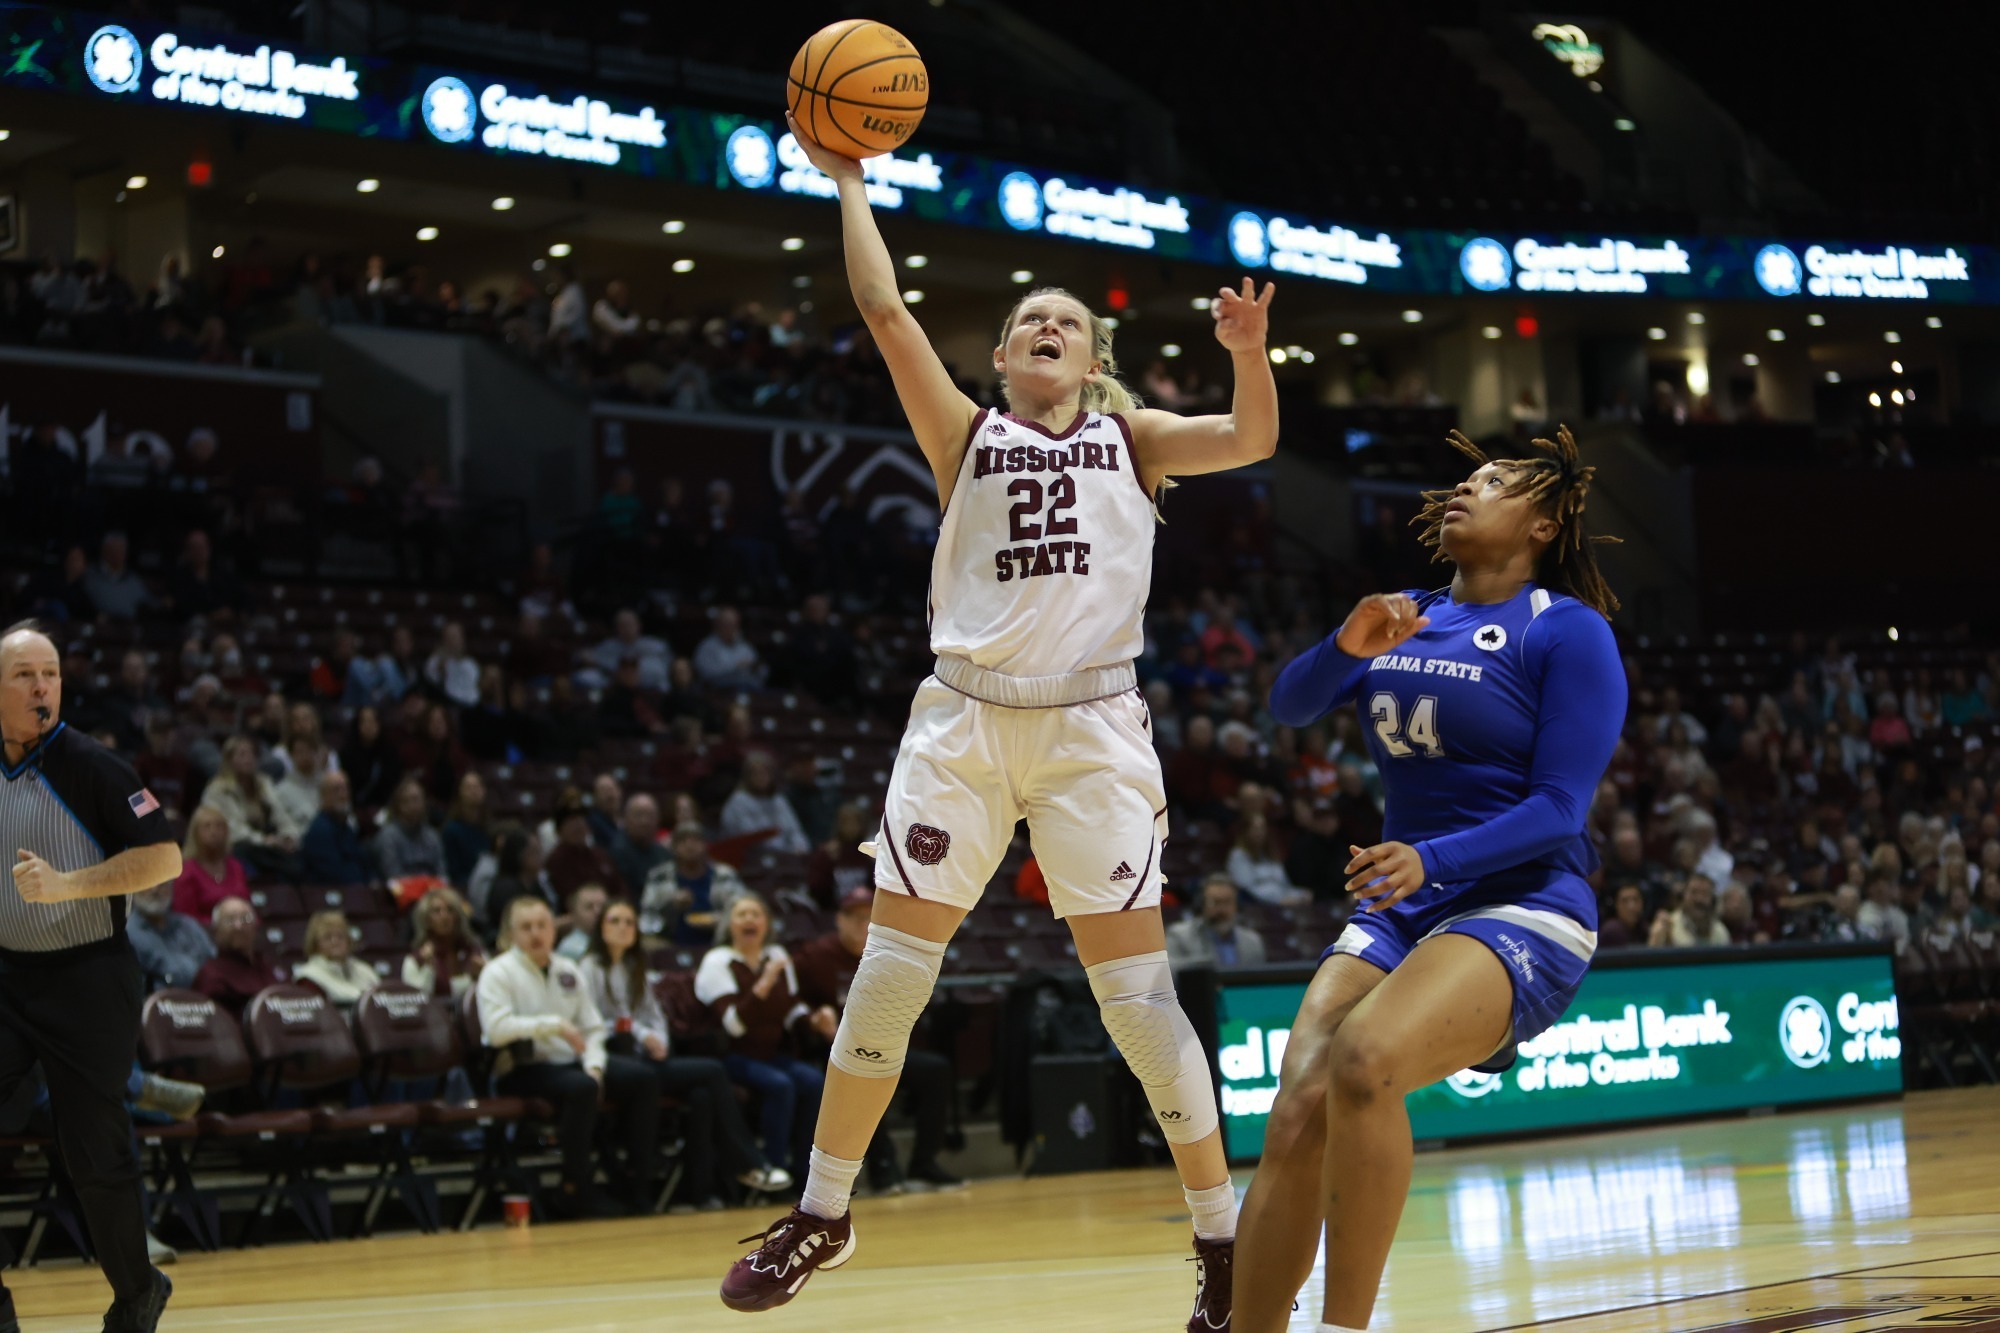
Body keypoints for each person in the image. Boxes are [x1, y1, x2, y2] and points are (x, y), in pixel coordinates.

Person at [721, 119, 1279, 1330]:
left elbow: (1250, 438)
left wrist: (1247, 352)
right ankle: (822, 1210)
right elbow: (883, 313)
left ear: (1090, 359)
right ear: (1001, 354)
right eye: (1028, 316)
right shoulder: (962, 433)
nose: (1045, 324)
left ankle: (1223, 1245)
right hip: (964, 724)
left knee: (1135, 1004)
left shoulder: (1131, 440)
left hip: (1091, 732)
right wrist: (851, 182)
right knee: (887, 978)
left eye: (1066, 320)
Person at [1233, 426, 1627, 1333]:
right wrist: (1346, 644)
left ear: (1543, 522)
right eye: (1465, 477)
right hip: (1406, 902)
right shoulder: (1406, 610)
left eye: (1492, 482)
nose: (1464, 488)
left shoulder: (1566, 630)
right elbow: (1289, 703)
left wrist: (1433, 857)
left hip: (1525, 902)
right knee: (1298, 1101)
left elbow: (1561, 807)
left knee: (1366, 1059)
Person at [0, 624, 179, 1330]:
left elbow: (165, 860)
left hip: (89, 980)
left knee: (95, 1152)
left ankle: (138, 1291)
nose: (41, 686)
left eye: (50, 673)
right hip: (8, 979)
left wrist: (69, 883)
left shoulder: (94, 765)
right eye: (23, 675)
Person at [579, 898, 790, 1209]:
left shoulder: (636, 966)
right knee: (698, 1073)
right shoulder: (589, 967)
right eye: (615, 921)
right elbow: (593, 1021)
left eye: (628, 922)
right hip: (609, 1056)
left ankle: (701, 1191)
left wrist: (660, 1039)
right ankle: (747, 1161)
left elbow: (654, 1015)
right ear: (600, 928)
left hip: (644, 1057)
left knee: (705, 1090)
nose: (623, 928)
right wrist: (642, 1033)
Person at [476, 896, 659, 1217]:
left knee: (641, 1078)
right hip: (523, 1068)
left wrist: (595, 1066)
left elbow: (592, 1028)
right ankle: (574, 1188)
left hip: (573, 1064)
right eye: (526, 927)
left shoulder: (567, 969)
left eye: (542, 925)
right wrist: (553, 1026)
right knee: (581, 1088)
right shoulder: (497, 972)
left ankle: (637, 1182)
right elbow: (496, 1029)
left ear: (554, 929)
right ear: (510, 933)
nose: (536, 933)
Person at [790, 888, 962, 1193]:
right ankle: (883, 1168)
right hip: (829, 1049)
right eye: (853, 916)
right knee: (864, 1078)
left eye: (867, 915)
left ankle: (924, 1163)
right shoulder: (814, 956)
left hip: (884, 1041)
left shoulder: (889, 952)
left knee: (935, 1069)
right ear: (838, 920)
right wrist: (813, 1018)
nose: (861, 923)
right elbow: (790, 1000)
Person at [698, 895, 822, 1184]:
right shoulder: (717, 961)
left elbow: (790, 1007)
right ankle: (771, 1167)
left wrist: (814, 1020)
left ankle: (806, 1174)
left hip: (772, 1054)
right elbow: (733, 1025)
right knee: (780, 1085)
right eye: (742, 914)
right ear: (730, 924)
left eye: (756, 914)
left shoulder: (776, 955)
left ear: (767, 924)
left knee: (814, 1081)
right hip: (732, 1055)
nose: (750, 920)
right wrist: (762, 986)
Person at [199, 735, 303, 879]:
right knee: (246, 851)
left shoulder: (264, 784)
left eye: (252, 754)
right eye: (242, 754)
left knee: (299, 859)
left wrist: (289, 836)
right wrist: (264, 840)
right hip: (238, 845)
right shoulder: (218, 790)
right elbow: (233, 829)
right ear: (229, 760)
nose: (248, 759)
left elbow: (281, 815)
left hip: (266, 844)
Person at [642, 822, 747, 945]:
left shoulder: (725, 875)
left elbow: (742, 909)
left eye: (695, 840)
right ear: (673, 847)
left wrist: (720, 921)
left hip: (719, 942)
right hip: (669, 942)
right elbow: (646, 919)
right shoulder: (659, 877)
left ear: (705, 845)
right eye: (683, 841)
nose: (689, 845)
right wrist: (671, 907)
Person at [192, 896, 287, 1018]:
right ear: (216, 931)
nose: (239, 926)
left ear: (255, 927)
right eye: (230, 920)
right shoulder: (211, 974)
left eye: (245, 919)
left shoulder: (267, 966)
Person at [1166, 874, 1268, 971]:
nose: (1221, 909)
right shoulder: (1179, 936)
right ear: (1202, 905)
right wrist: (1205, 964)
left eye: (1227, 902)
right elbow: (1170, 972)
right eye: (1215, 902)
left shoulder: (1253, 942)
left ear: (1237, 906)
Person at [127, 882, 216, 989]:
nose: (155, 890)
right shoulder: (128, 934)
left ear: (171, 888)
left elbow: (214, 963)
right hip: (157, 1001)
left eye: (162, 884)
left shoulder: (189, 926)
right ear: (134, 891)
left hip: (203, 998)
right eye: (147, 885)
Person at [719, 752, 811, 855]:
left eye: (764, 772)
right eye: (755, 773)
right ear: (747, 776)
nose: (760, 777)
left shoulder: (778, 799)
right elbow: (750, 838)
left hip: (785, 856)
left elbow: (794, 831)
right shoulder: (738, 802)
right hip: (751, 858)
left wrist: (800, 848)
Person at [402, 886, 486, 998]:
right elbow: (417, 1002)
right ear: (426, 920)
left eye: (450, 910)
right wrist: (427, 969)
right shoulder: (416, 961)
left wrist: (483, 973)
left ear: (457, 917)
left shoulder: (476, 954)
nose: (444, 916)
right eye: (437, 911)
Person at [170, 805, 249, 922]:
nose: (214, 832)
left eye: (219, 826)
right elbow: (186, 920)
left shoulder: (235, 867)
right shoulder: (186, 871)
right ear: (195, 834)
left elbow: (247, 907)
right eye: (207, 827)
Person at [293, 910, 379, 1009]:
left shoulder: (365, 971)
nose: (335, 942)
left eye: (340, 936)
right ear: (315, 944)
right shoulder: (308, 977)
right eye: (327, 937)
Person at [302, 771, 375, 887]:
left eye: (346, 789)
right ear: (323, 796)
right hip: (333, 898)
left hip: (359, 894)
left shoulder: (346, 828)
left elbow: (363, 863)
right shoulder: (320, 832)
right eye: (336, 790)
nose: (343, 795)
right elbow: (335, 876)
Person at [1226, 812, 1309, 907]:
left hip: (1282, 902)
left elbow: (1283, 884)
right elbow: (1247, 891)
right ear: (1246, 831)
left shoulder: (1270, 855)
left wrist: (1300, 894)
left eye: (1262, 828)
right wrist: (1278, 901)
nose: (1259, 832)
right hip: (1257, 906)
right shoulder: (1238, 856)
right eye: (1255, 828)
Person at [373, 778, 446, 881]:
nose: (414, 806)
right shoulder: (388, 837)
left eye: (417, 800)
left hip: (433, 893)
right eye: (408, 801)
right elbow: (394, 878)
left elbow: (442, 875)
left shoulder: (433, 836)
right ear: (399, 806)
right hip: (401, 893)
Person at [1648, 873, 1731, 947]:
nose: (1699, 899)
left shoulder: (1720, 931)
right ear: (1683, 896)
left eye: (1705, 893)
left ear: (1712, 900)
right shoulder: (1667, 924)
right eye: (1694, 892)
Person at [441, 772, 491, 889]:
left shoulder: (489, 827)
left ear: (484, 791)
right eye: (468, 787)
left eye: (477, 787)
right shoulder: (451, 830)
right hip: (463, 887)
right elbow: (452, 872)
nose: (473, 791)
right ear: (460, 792)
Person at [556, 884, 609, 960]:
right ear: (574, 913)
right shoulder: (570, 948)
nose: (598, 912)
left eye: (602, 906)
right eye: (589, 907)